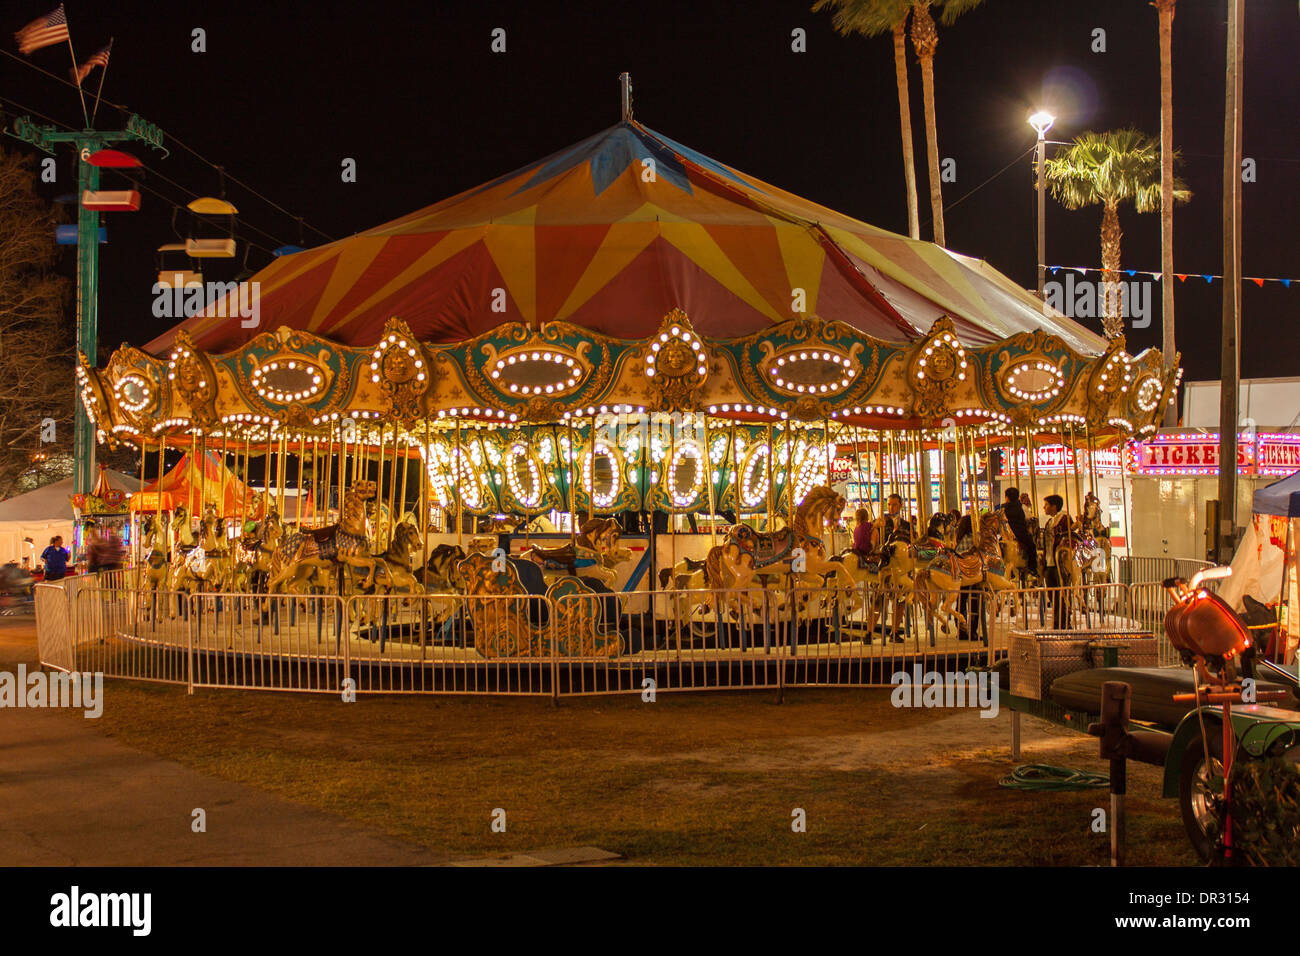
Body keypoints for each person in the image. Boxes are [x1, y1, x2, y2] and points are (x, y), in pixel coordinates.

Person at [1041, 494, 1070, 628]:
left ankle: (1063, 622)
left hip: (1059, 563)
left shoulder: (1064, 519)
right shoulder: (1049, 522)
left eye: (1046, 505)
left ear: (1054, 506)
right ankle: (1058, 620)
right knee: (1052, 595)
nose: (1044, 507)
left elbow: (1068, 536)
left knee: (1061, 595)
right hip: (1049, 562)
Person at [1001, 487, 1038, 578]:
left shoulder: (1003, 508)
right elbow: (1029, 518)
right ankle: (1032, 567)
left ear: (1007, 497)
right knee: (1032, 546)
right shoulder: (1022, 507)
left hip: (1007, 534)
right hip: (1020, 533)